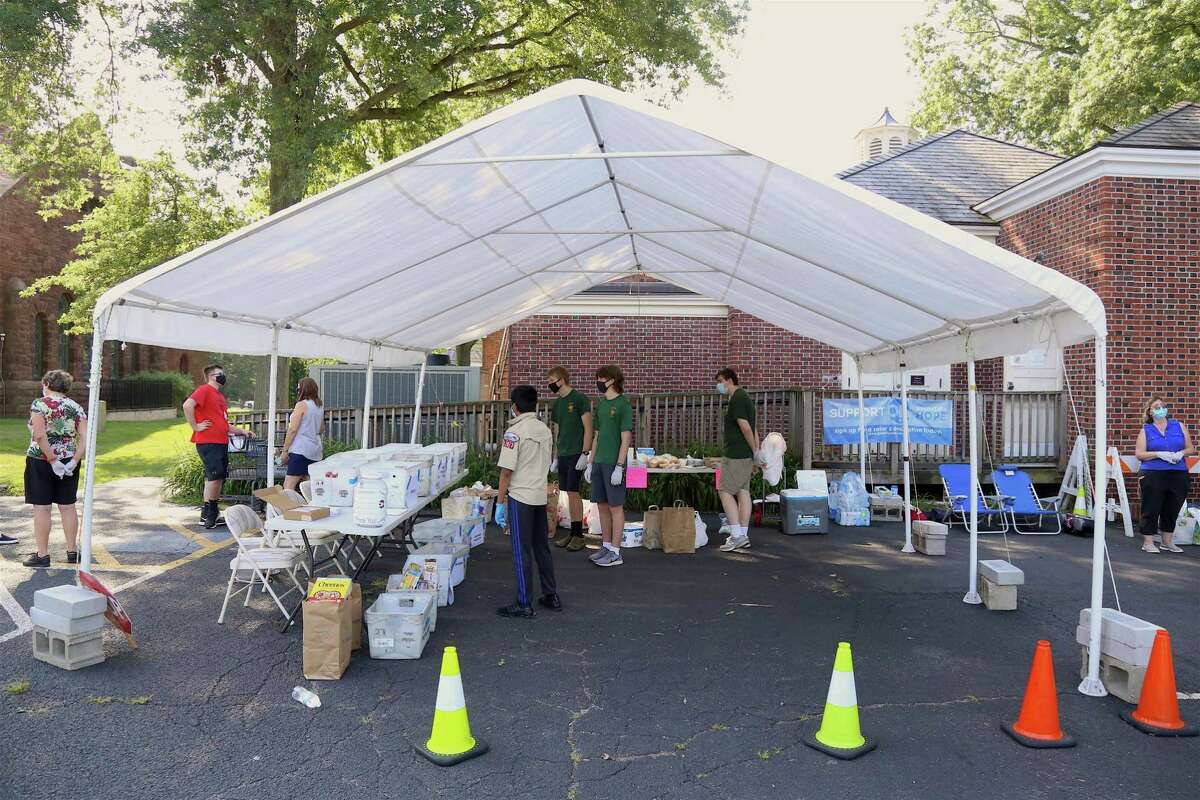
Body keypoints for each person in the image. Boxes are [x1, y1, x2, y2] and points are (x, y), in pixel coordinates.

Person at [494, 385, 559, 618]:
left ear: (515, 407)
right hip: (540, 496)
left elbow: (506, 472)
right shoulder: (545, 430)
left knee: (521, 551)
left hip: (520, 497)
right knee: (541, 548)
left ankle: (524, 602)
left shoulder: (514, 433)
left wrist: (499, 503)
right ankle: (551, 595)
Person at [21, 370, 88, 567]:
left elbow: (40, 435)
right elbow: (85, 437)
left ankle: (42, 555)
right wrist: (74, 461)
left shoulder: (40, 404)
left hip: (41, 460)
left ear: (48, 384)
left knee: (42, 509)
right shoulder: (75, 407)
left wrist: (52, 459)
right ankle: (72, 551)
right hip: (69, 461)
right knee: (67, 507)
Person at [183, 364, 255, 529]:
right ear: (211, 376)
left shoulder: (218, 396)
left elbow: (223, 424)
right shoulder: (204, 390)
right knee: (215, 477)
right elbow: (187, 405)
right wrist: (195, 426)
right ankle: (212, 513)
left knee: (214, 478)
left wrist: (242, 432)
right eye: (220, 374)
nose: (223, 376)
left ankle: (207, 514)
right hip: (209, 441)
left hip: (220, 441)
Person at [1134, 395, 1194, 554]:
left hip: (1178, 472)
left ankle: (1167, 541)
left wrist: (1180, 453)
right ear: (1150, 412)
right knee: (1151, 506)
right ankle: (1148, 542)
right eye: (1156, 407)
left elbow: (1191, 448)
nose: (1161, 409)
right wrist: (1158, 454)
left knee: (1172, 507)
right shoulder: (1146, 430)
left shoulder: (1178, 426)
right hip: (1153, 472)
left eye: (1162, 406)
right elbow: (1139, 454)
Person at [586, 365, 632, 567]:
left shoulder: (623, 404)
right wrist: (589, 461)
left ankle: (616, 551)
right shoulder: (602, 404)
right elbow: (596, 435)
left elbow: (626, 438)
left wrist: (620, 466)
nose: (598, 382)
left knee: (615, 507)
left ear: (612, 380)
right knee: (602, 506)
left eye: (601, 378)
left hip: (614, 463)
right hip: (598, 462)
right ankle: (605, 546)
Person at [715, 368, 763, 553]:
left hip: (736, 455)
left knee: (725, 491)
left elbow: (745, 428)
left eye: (720, 381)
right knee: (743, 492)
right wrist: (755, 452)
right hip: (745, 455)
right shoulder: (745, 398)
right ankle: (743, 534)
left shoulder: (737, 398)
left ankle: (736, 535)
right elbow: (753, 428)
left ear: (729, 380)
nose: (718, 385)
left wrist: (754, 449)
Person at [548, 366, 593, 552]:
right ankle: (573, 533)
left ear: (562, 379)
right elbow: (558, 430)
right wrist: (555, 456)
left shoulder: (579, 399)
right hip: (564, 453)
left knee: (574, 492)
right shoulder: (558, 404)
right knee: (568, 492)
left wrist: (585, 453)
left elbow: (589, 428)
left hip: (576, 452)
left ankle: (578, 535)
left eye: (552, 380)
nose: (550, 384)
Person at [279, 377, 325, 492]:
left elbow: (292, 429)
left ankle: (291, 510)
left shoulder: (301, 405)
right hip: (315, 450)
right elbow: (321, 428)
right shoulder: (319, 406)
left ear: (302, 390)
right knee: (308, 487)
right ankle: (310, 508)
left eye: (298, 389)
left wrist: (285, 451)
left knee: (288, 486)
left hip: (300, 450)